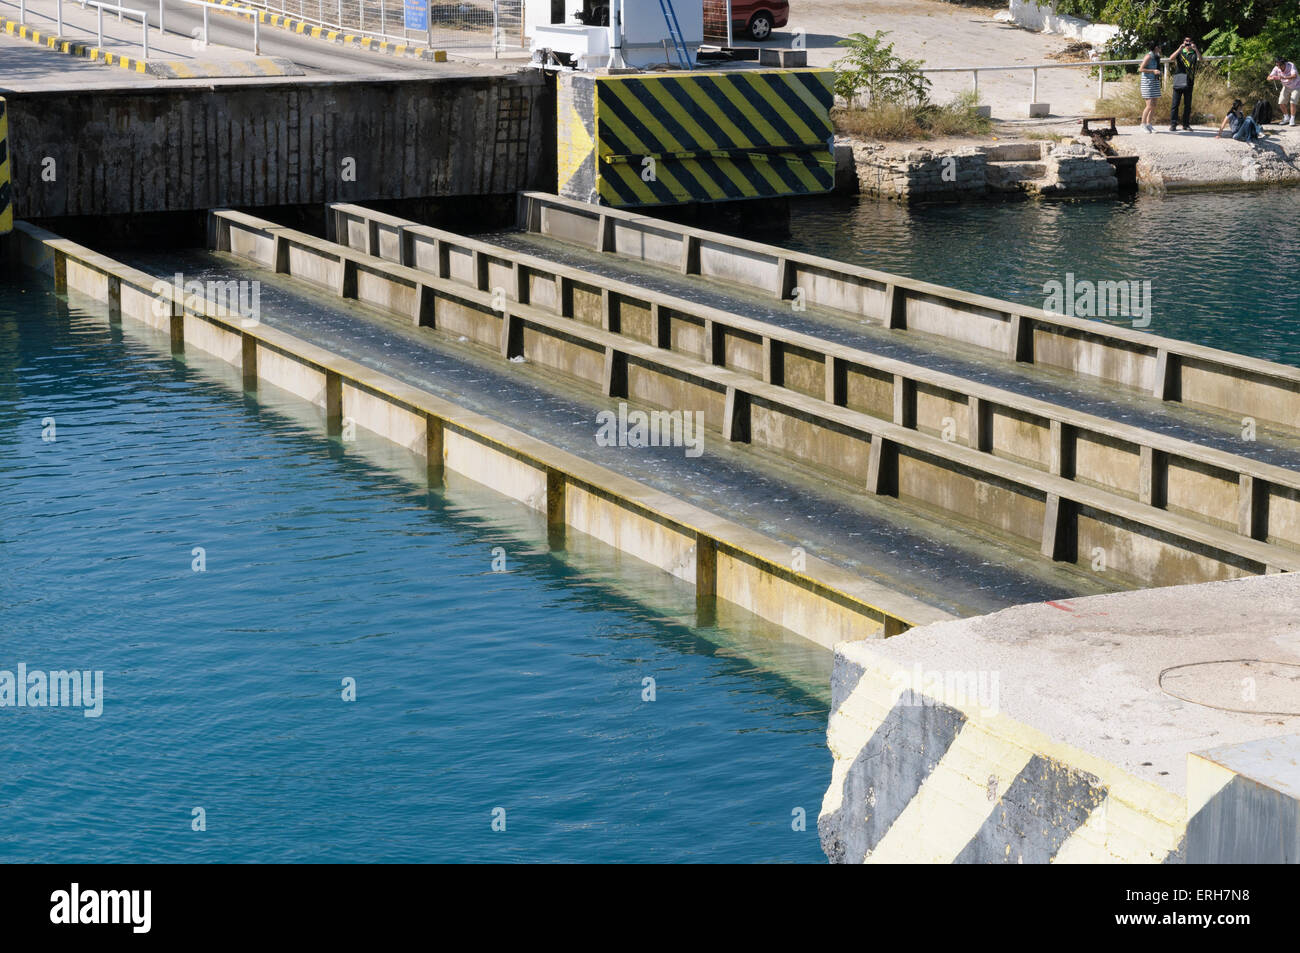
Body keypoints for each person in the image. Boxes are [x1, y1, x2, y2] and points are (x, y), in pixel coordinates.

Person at [1169, 36, 1200, 131]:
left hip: (1189, 80)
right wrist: (1179, 49)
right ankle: (1173, 124)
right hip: (1179, 78)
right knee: (1175, 103)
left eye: (1189, 41)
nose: (1188, 43)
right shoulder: (1180, 52)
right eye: (1186, 41)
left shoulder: (1194, 53)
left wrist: (1196, 49)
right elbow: (1171, 58)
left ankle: (1186, 124)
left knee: (1187, 104)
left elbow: (1201, 59)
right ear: (1183, 42)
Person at [1267, 57, 1299, 126]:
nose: (1279, 67)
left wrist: (1283, 77)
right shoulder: (1276, 68)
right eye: (1277, 65)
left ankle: (1292, 120)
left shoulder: (1290, 65)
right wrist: (1272, 78)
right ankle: (1286, 117)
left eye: (1280, 65)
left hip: (1296, 86)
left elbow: (1294, 75)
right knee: (1281, 102)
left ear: (1284, 63)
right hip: (1286, 87)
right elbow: (1268, 77)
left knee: (1292, 102)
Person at [1139, 42, 1162, 132]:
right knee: (1149, 105)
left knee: (1154, 105)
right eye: (1159, 47)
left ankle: (1149, 124)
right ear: (1156, 47)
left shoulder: (1156, 56)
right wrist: (1153, 71)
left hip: (1155, 82)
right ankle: (1143, 124)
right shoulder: (1148, 56)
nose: (1160, 48)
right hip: (1147, 83)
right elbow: (1141, 69)